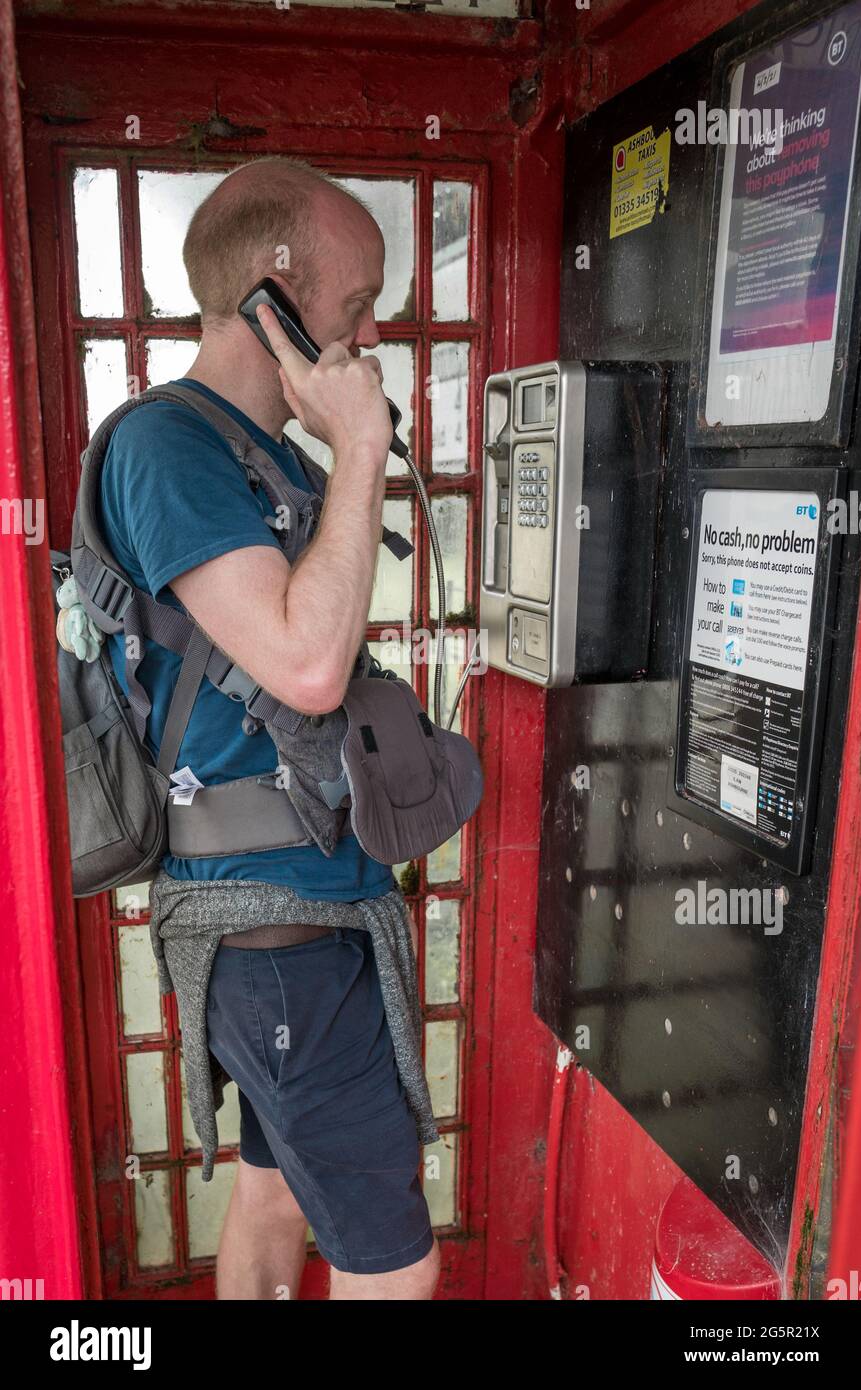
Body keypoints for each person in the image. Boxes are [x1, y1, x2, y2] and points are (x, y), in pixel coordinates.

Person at [99, 156, 440, 1300]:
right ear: (274, 287)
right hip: (275, 931)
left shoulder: (258, 458)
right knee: (393, 1262)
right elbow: (303, 662)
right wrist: (357, 450)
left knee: (275, 1189)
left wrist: (333, 457)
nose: (372, 322)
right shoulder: (168, 446)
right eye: (360, 296)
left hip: (291, 916)